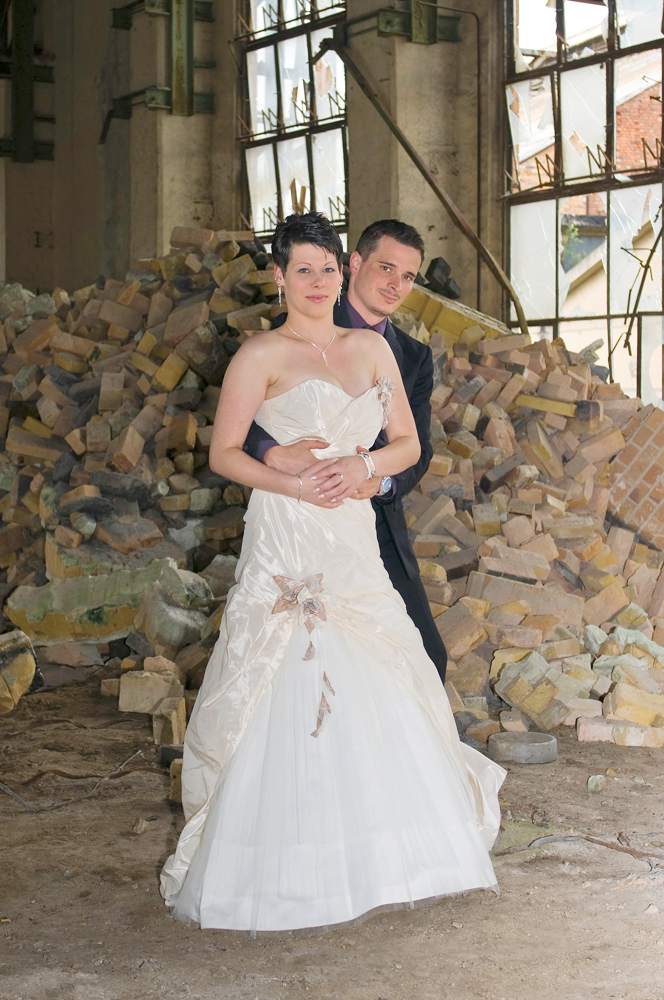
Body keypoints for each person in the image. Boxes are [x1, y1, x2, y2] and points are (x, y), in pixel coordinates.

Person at [160, 212, 505, 935]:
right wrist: (289, 480)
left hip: (352, 528)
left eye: (327, 268)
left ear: (342, 271)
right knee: (284, 671)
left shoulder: (373, 352)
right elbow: (225, 454)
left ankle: (388, 848)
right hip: (286, 532)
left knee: (384, 661)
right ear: (279, 276)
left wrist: (363, 466)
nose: (317, 283)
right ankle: (286, 862)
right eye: (302, 270)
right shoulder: (258, 354)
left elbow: (409, 444)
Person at [244, 219, 448, 683]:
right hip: (302, 514)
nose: (396, 285)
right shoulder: (298, 322)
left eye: (409, 277)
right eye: (386, 268)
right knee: (305, 655)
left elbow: (419, 444)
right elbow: (245, 422)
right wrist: (273, 453)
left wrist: (381, 480)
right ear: (353, 264)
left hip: (372, 515)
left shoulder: (412, 356)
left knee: (424, 658)